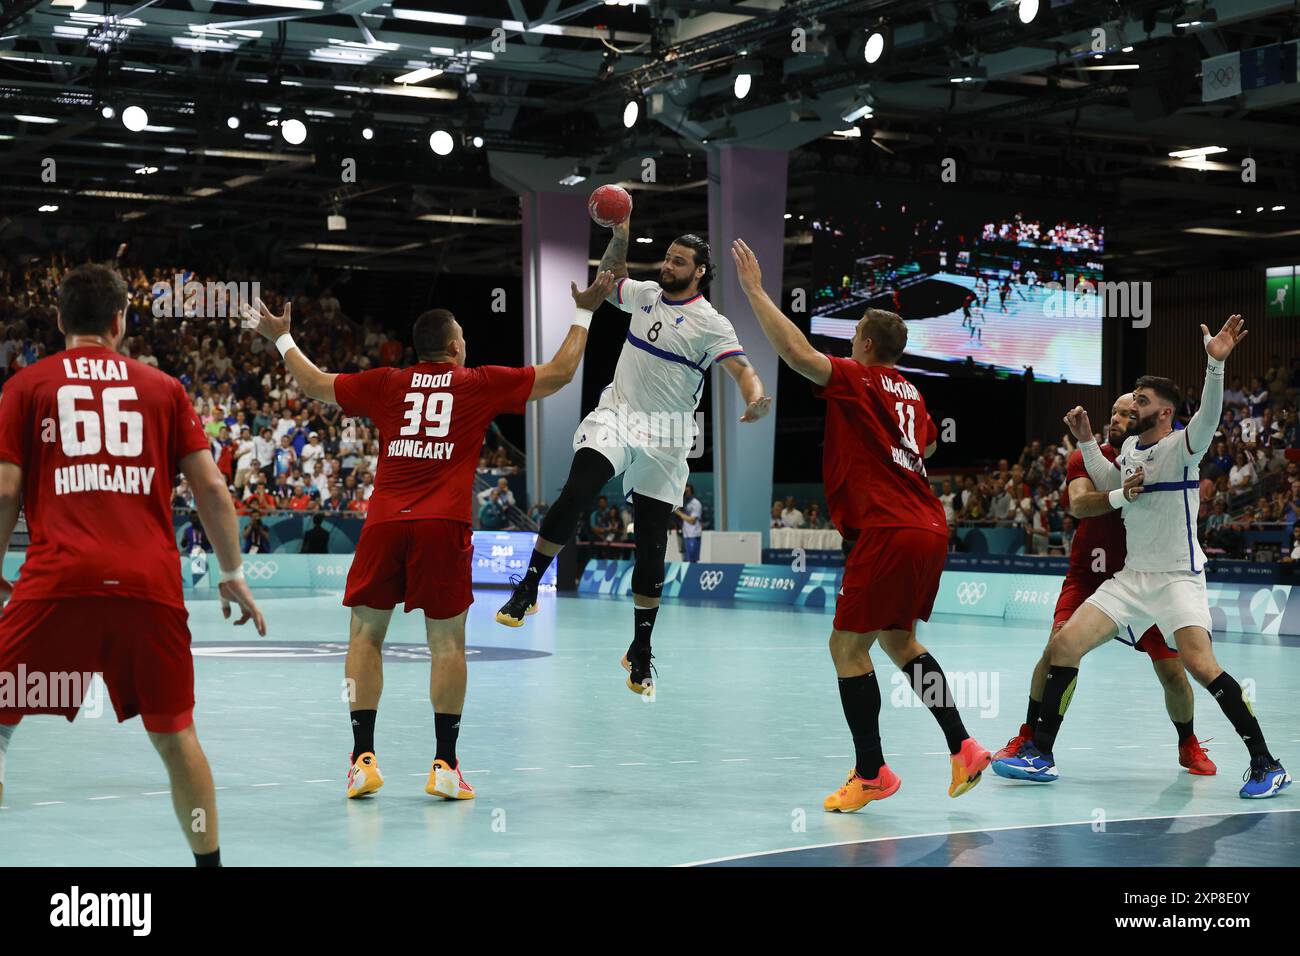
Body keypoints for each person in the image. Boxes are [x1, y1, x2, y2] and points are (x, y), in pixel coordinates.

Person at [244, 270, 611, 802]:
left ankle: (361, 760)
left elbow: (314, 384)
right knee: (446, 646)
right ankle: (444, 765)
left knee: (364, 638)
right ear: (456, 348)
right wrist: (584, 310)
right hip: (444, 526)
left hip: (386, 523)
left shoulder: (388, 383)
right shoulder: (478, 383)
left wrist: (280, 336)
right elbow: (559, 373)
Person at [0, 263, 265, 863]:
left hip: (57, 581)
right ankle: (210, 867)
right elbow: (213, 491)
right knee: (176, 737)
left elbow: (4, 491)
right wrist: (232, 573)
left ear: (60, 319)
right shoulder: (163, 389)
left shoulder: (26, 386)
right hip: (148, 585)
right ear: (121, 321)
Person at [731, 238, 989, 812]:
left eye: (852, 341)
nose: (847, 348)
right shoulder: (915, 397)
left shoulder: (858, 378)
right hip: (928, 525)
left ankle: (871, 772)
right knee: (899, 641)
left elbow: (799, 355)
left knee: (846, 648)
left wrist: (753, 291)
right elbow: (922, 447)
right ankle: (962, 745)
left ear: (866, 345)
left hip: (888, 528)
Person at [995, 316, 1290, 797]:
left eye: (1142, 399)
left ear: (1167, 412)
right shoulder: (1131, 447)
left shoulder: (1184, 446)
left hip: (1178, 579)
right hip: (1131, 579)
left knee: (1198, 665)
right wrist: (1089, 440)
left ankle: (1266, 762)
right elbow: (1108, 485)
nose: (1134, 403)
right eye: (1134, 396)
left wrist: (1215, 363)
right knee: (1064, 647)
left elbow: (1211, 416)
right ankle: (1040, 753)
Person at [496, 215, 771, 700]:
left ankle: (640, 650)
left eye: (679, 261)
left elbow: (742, 369)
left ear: (700, 271)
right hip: (619, 415)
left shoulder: (712, 324)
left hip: (667, 436)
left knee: (650, 542)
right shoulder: (644, 295)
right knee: (579, 489)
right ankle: (530, 586)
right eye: (667, 258)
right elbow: (610, 276)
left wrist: (755, 395)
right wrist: (620, 231)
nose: (668, 266)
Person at [991, 394, 1213, 778]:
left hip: (1144, 580)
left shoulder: (1158, 455)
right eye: (1112, 411)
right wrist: (1120, 493)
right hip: (1087, 580)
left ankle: (1188, 744)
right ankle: (1031, 739)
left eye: (1126, 413)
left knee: (1174, 675)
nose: (1115, 418)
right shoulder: (1086, 457)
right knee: (1055, 652)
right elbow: (1079, 505)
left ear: (1142, 418)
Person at [676, 483, 702, 563]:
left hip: (694, 534)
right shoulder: (683, 503)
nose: (685, 494)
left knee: (692, 560)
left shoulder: (696, 503)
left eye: (686, 491)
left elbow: (692, 521)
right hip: (685, 534)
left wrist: (679, 513)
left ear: (691, 491)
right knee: (685, 559)